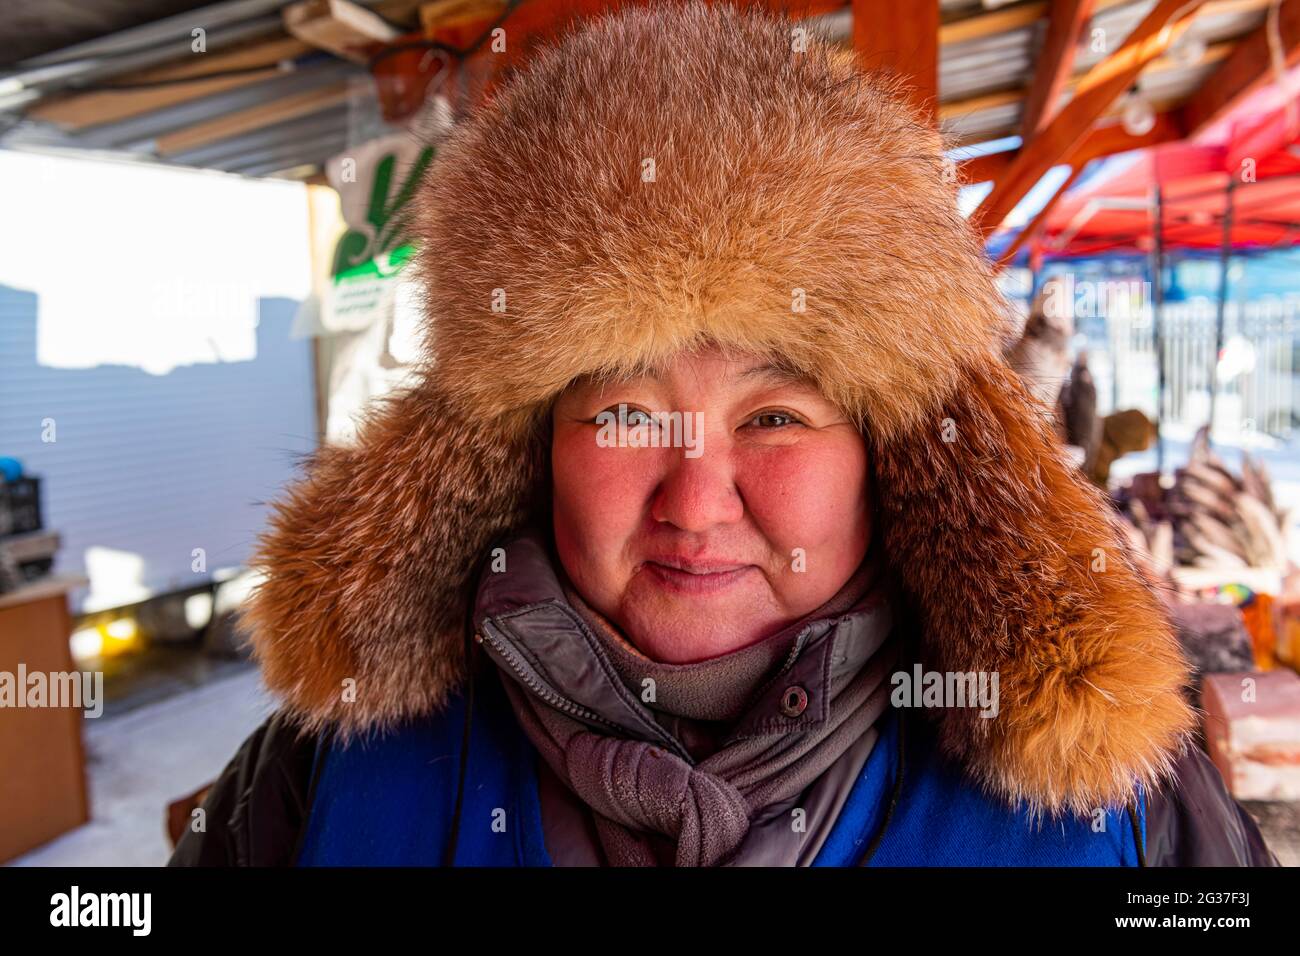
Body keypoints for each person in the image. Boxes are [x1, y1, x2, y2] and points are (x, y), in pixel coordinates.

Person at [171, 2, 1275, 867]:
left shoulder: (1127, 805)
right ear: (518, 449)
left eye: (777, 415)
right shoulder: (324, 783)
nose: (695, 501)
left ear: (893, 456)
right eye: (624, 411)